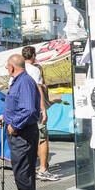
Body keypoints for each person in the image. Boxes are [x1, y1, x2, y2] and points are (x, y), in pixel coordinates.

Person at [1, 53, 40, 190]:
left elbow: (28, 109)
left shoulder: (23, 82)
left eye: (7, 67)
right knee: (23, 173)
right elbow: (19, 105)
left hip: (22, 134)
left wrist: (14, 124)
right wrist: (6, 116)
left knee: (23, 175)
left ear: (11, 67)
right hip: (20, 132)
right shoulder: (20, 81)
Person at [23, 45, 57, 182]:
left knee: (27, 139)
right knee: (42, 139)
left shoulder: (18, 69)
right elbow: (38, 91)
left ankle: (28, 169)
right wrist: (44, 110)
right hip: (35, 109)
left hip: (23, 110)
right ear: (33, 56)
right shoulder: (35, 70)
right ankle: (43, 169)